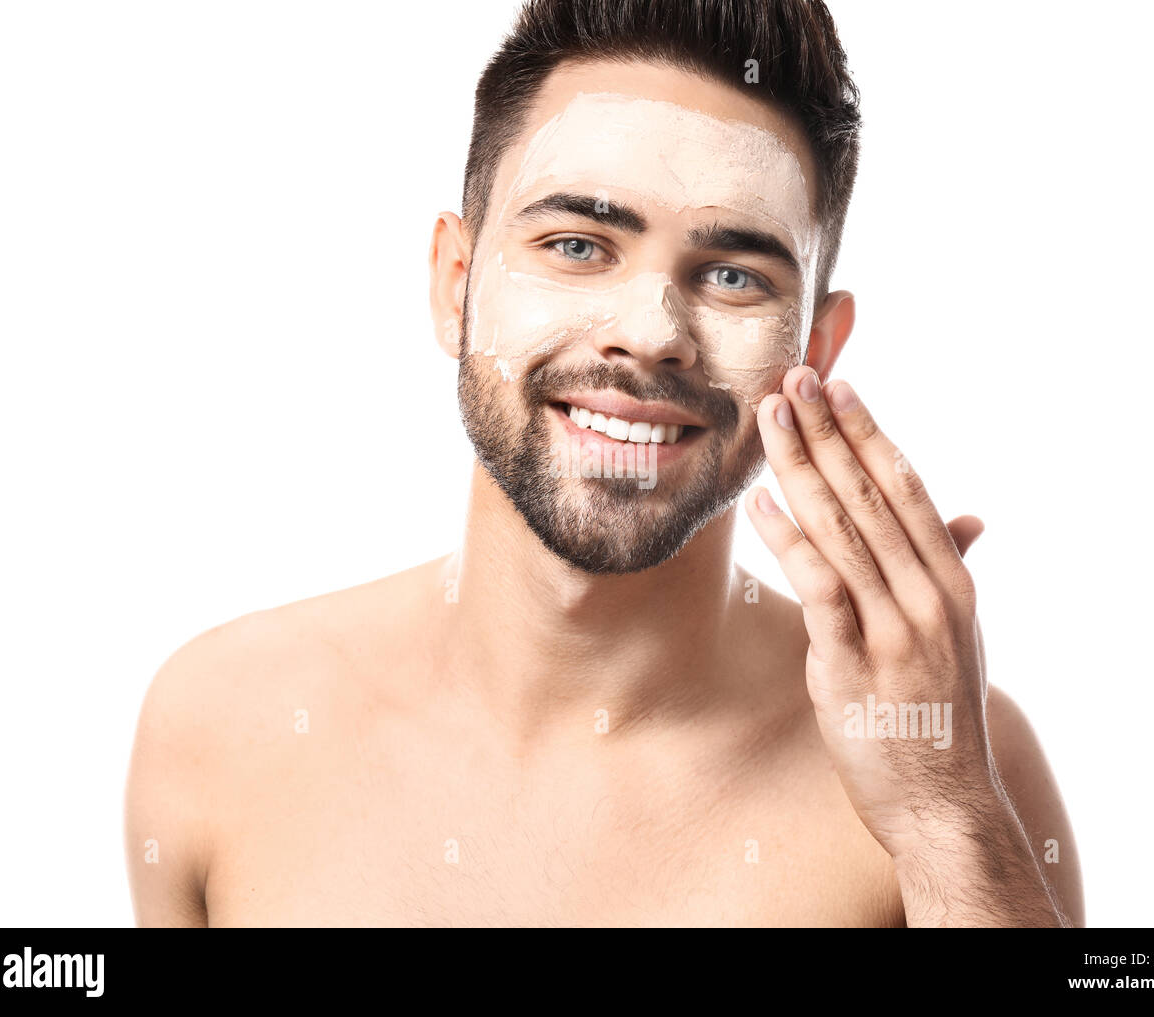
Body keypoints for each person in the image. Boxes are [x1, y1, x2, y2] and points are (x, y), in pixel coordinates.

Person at [125, 0, 1083, 927]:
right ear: (456, 288)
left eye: (735, 276)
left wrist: (942, 818)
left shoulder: (959, 763)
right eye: (578, 244)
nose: (650, 333)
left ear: (815, 354)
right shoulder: (221, 727)